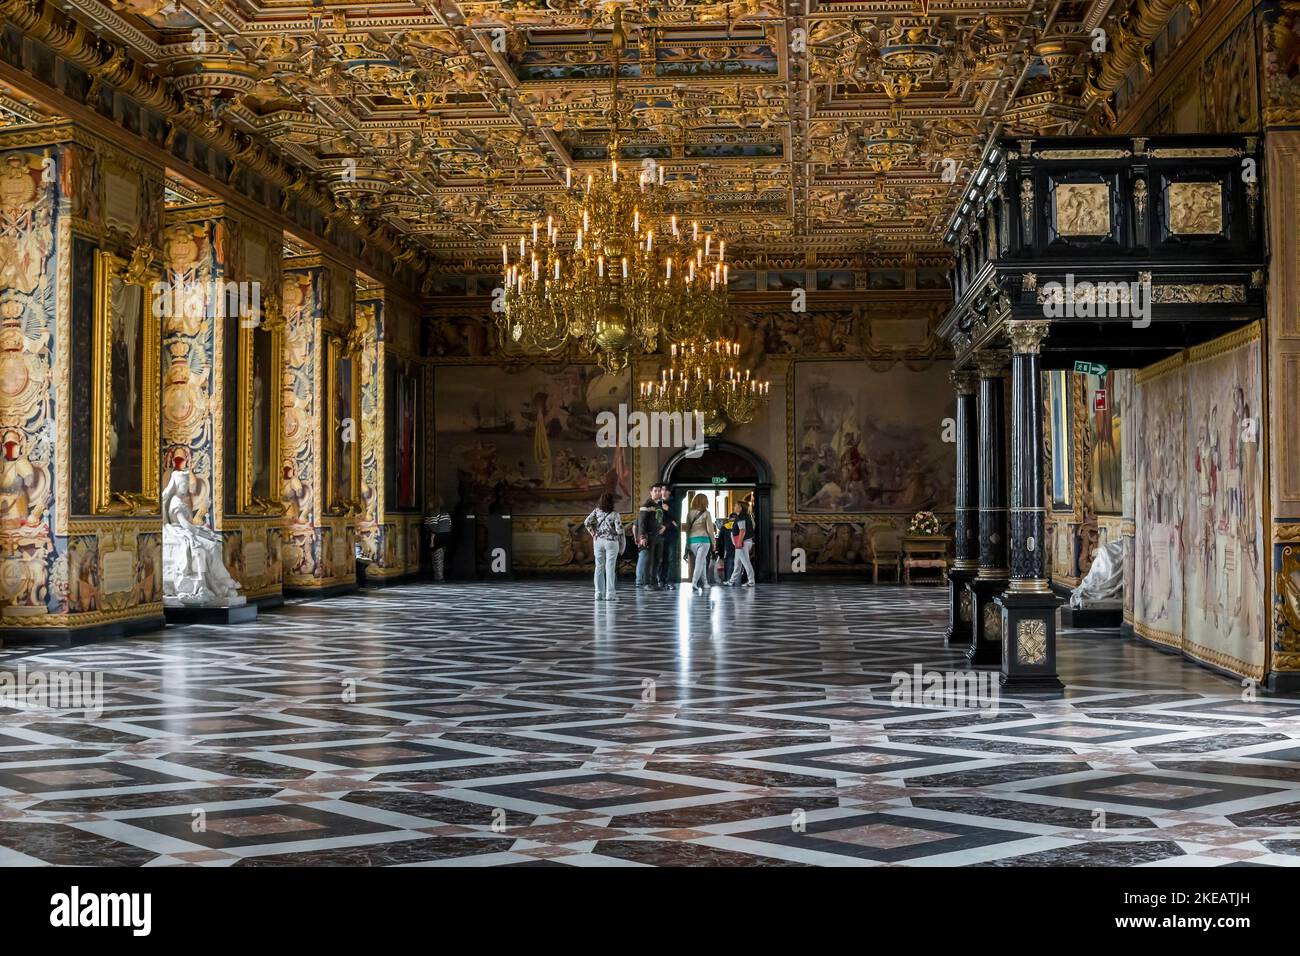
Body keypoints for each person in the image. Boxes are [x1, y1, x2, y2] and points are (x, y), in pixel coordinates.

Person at [584, 491, 624, 601]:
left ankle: (598, 593)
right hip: (611, 542)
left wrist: (593, 533)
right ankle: (610, 594)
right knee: (610, 568)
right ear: (612, 502)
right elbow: (619, 530)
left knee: (599, 567)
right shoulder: (615, 514)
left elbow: (586, 522)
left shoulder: (596, 511)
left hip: (598, 541)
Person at [684, 493, 717, 593]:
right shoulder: (706, 513)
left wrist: (687, 542)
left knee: (702, 561)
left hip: (692, 540)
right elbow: (710, 529)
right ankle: (694, 583)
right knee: (700, 562)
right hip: (703, 540)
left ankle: (705, 583)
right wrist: (713, 542)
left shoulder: (689, 513)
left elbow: (687, 529)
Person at [635, 484, 664, 589]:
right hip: (648, 536)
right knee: (646, 560)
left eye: (659, 491)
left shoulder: (658, 506)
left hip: (657, 536)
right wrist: (642, 537)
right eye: (655, 491)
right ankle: (643, 582)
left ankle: (652, 581)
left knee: (657, 560)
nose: (657, 492)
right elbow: (641, 522)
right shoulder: (646, 505)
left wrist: (663, 526)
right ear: (651, 492)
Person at [727, 500, 756, 588]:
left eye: (736, 505)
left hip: (742, 542)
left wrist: (739, 543)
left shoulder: (741, 517)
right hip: (744, 542)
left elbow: (742, 531)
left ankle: (751, 581)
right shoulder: (747, 517)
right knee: (737, 563)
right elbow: (753, 527)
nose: (734, 507)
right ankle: (731, 581)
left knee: (746, 562)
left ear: (740, 507)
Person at [655, 483, 679, 590]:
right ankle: (661, 579)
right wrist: (669, 522)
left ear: (669, 492)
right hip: (661, 535)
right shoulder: (658, 503)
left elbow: (677, 518)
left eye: (665, 490)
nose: (663, 492)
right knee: (662, 558)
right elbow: (658, 519)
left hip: (672, 535)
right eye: (662, 490)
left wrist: (668, 509)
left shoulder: (674, 503)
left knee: (671, 558)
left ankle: (670, 580)